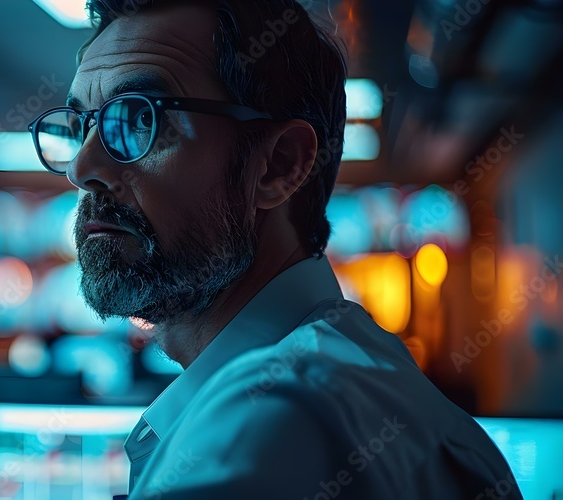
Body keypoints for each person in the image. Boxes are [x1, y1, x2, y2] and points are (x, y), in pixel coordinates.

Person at [25, 0, 520, 498]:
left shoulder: (266, 427)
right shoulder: (369, 383)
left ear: (279, 165)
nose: (80, 168)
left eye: (137, 120)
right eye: (80, 124)